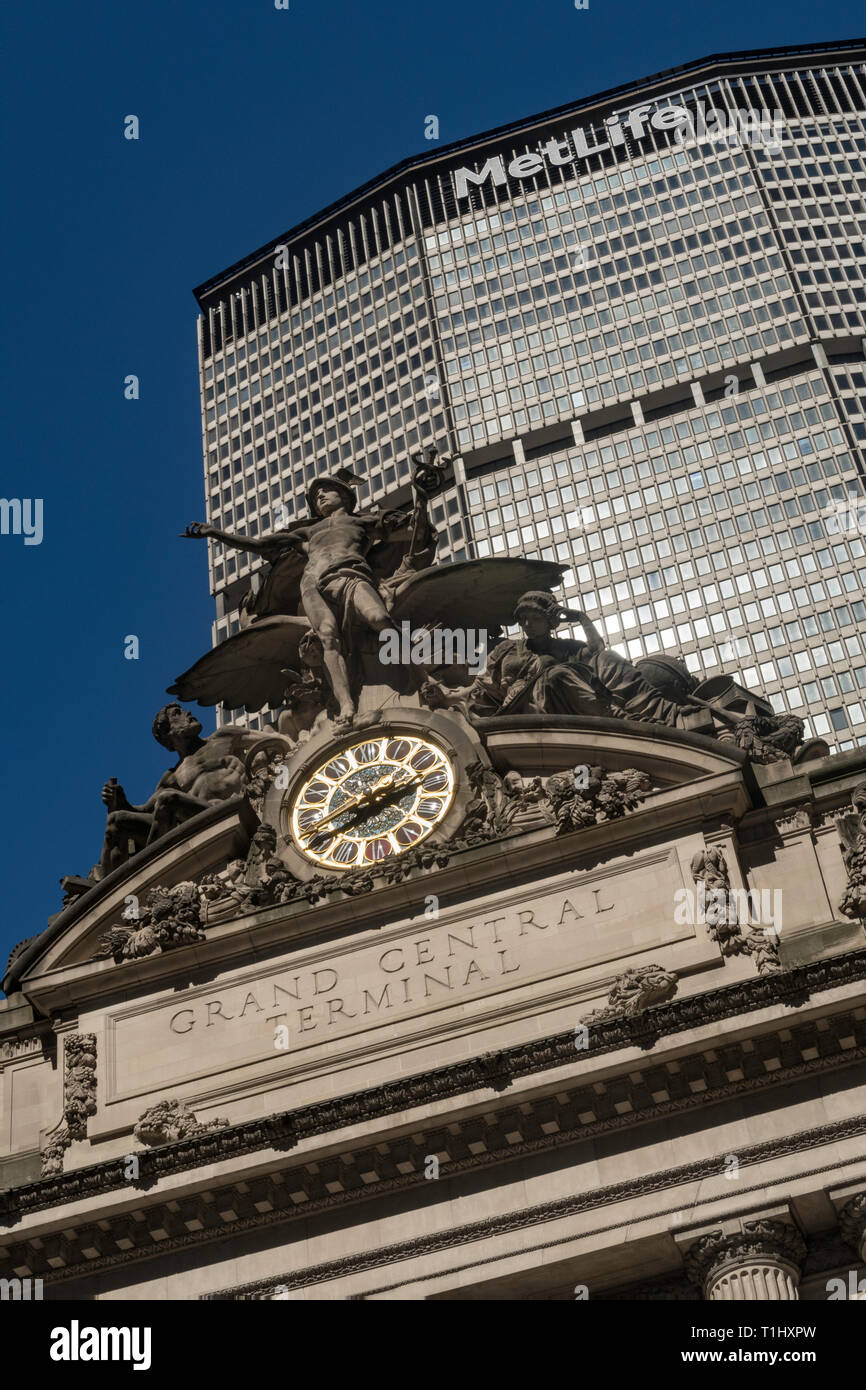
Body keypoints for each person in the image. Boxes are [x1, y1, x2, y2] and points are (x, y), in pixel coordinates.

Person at [183, 473, 435, 726]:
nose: (320, 496)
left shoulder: (367, 521)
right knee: (327, 636)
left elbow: (416, 532)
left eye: (326, 490)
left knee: (380, 618)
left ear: (346, 496)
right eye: (316, 496)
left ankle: (424, 680)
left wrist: (422, 496)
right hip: (313, 583)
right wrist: (215, 533)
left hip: (350, 575)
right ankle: (346, 703)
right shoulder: (307, 531)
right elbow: (259, 545)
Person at [423, 590, 689, 725]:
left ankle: (659, 711)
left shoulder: (568, 649)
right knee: (559, 673)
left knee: (606, 658)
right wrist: (446, 697)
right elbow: (480, 689)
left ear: (550, 622)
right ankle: (617, 716)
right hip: (522, 707)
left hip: (565, 701)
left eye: (535, 618)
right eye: (523, 619)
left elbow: (596, 651)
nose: (528, 624)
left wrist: (583, 619)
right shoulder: (505, 650)